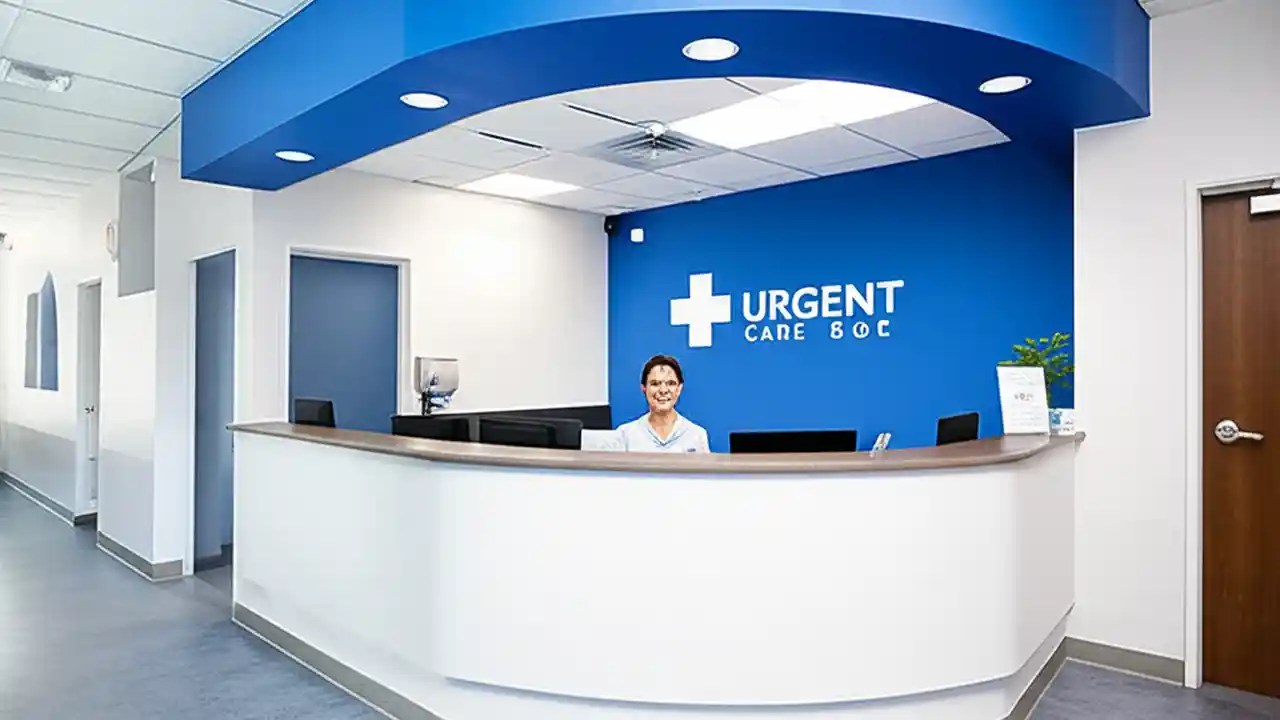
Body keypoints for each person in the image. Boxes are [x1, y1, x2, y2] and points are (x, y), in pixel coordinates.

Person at [616, 354, 710, 453]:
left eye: (671, 383)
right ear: (644, 388)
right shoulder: (625, 435)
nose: (663, 390)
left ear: (679, 389)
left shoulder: (697, 435)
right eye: (655, 384)